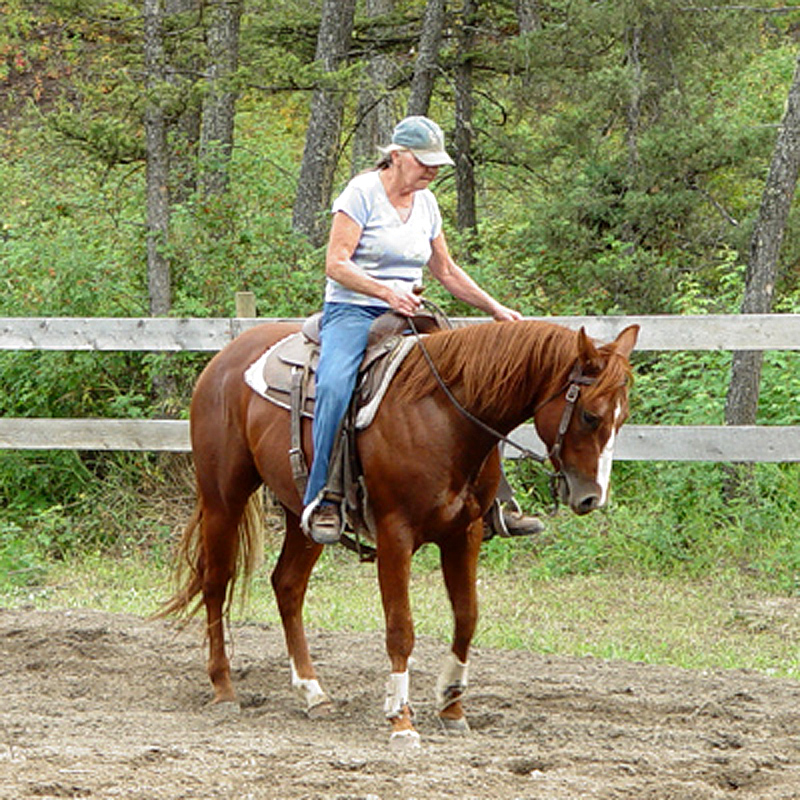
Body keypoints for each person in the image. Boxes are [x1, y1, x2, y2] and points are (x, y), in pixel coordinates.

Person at [301, 115, 535, 545]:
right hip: (354, 311)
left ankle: (492, 500)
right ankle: (325, 497)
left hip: (409, 311)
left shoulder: (427, 203)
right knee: (334, 385)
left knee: (481, 379)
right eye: (424, 162)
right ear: (396, 156)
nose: (431, 171)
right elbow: (336, 263)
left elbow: (444, 269)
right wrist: (386, 293)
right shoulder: (360, 193)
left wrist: (495, 308)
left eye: (436, 164)